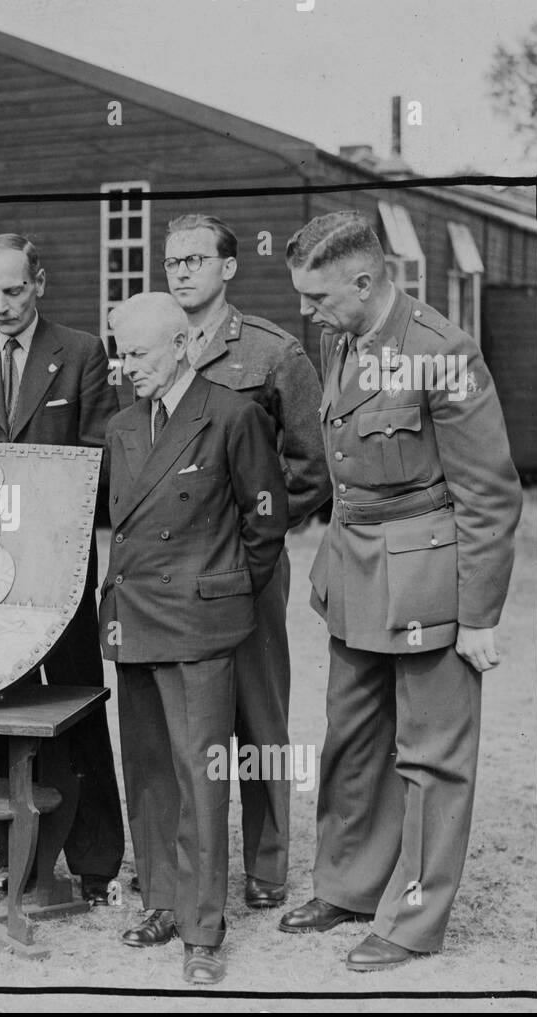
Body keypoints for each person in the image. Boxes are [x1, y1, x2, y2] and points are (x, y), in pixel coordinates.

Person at [279, 210, 522, 970]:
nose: (307, 312)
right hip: (354, 569)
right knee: (352, 737)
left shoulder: (440, 350)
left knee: (431, 754)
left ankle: (413, 920)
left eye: (319, 296)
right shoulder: (339, 336)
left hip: (429, 580)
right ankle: (351, 884)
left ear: (365, 280)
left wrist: (478, 616)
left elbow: (490, 493)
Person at [101, 292, 286, 982]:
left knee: (202, 777)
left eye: (140, 353)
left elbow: (265, 520)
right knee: (149, 773)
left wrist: (221, 587)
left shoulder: (233, 415)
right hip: (134, 614)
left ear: (181, 345)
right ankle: (162, 900)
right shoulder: (122, 426)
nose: (127, 366)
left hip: (199, 624)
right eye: (122, 352)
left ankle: (203, 928)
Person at [0, 233, 124, 905]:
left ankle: (98, 860)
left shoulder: (79, 352)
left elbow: (100, 456)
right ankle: (19, 857)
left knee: (75, 700)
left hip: (60, 560)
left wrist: (33, 490)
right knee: (2, 705)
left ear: (38, 282)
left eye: (15, 289)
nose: (2, 304)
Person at [156, 213, 330, 909]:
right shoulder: (156, 345)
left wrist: (255, 531)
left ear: (229, 268)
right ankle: (182, 863)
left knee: (259, 713)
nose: (182, 272)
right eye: (172, 262)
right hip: (172, 565)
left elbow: (312, 464)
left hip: (246, 559)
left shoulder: (271, 352)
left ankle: (265, 866)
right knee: (182, 716)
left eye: (196, 260)